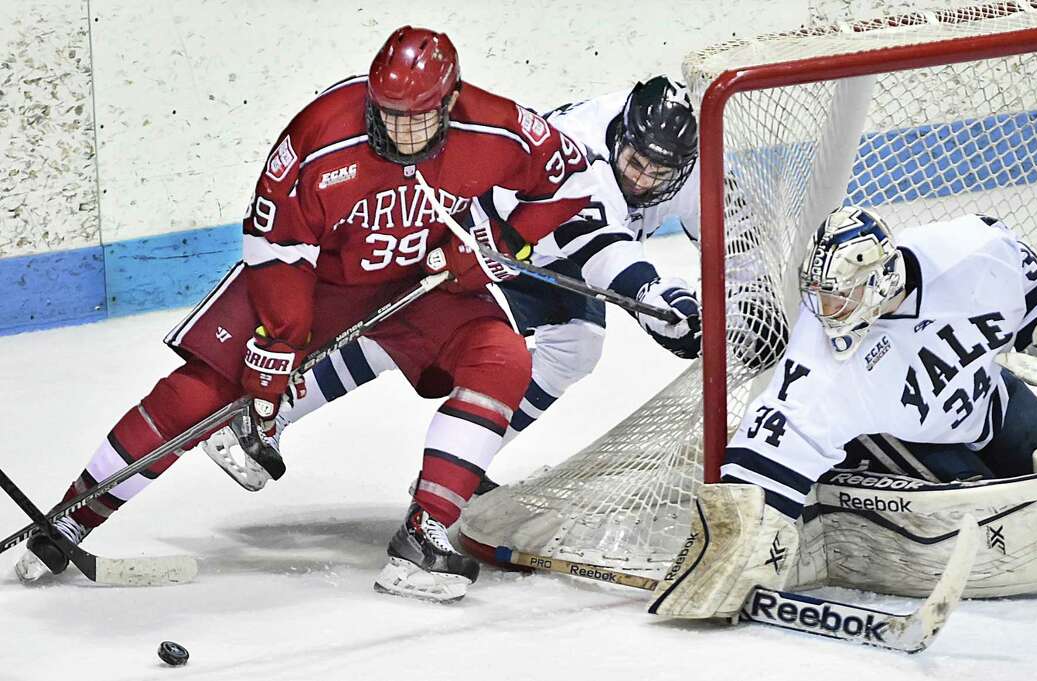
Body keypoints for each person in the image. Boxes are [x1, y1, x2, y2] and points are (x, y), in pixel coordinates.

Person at [15, 26, 600, 603]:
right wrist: (280, 340)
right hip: (318, 280)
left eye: (417, 118)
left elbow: (575, 178)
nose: (399, 132)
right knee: (198, 394)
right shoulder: (319, 136)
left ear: (450, 103)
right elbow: (276, 246)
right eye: (388, 114)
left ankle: (424, 534)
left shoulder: (495, 126)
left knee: (502, 359)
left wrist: (500, 241)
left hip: (424, 281)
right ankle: (72, 515)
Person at [203, 76, 764, 489]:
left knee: (576, 348)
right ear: (621, 135)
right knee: (406, 336)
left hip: (555, 253)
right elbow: (601, 245)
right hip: (493, 233)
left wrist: (750, 304)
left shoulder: (695, 163)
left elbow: (737, 237)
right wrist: (653, 297)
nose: (641, 180)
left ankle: (462, 471)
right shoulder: (584, 147)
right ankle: (257, 416)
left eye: (659, 174)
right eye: (635, 163)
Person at [647, 206, 1037, 619]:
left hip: (989, 402)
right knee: (997, 517)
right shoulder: (821, 361)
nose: (828, 313)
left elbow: (1030, 284)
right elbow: (770, 438)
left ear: (882, 278)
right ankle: (839, 503)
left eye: (841, 297)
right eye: (821, 297)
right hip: (909, 439)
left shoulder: (970, 251)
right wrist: (733, 538)